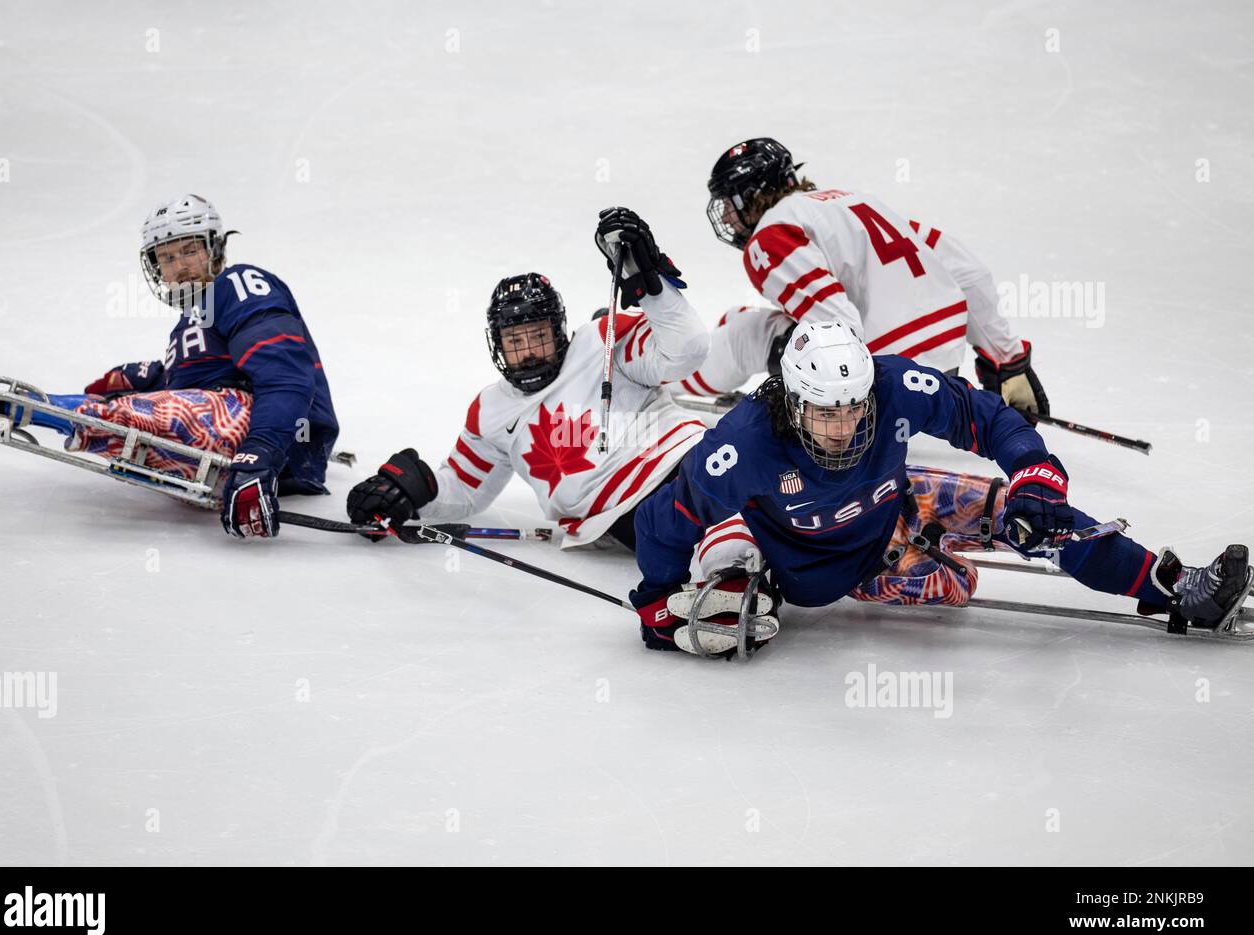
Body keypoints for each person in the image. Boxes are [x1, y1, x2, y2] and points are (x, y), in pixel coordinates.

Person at [632, 319, 1248, 657]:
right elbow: (669, 514)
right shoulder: (745, 443)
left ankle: (1174, 589)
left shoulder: (893, 386)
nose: (844, 427)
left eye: (854, 409)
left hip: (898, 498)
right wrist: (657, 602)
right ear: (791, 403)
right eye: (825, 413)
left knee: (1035, 517)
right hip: (836, 571)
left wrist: (1034, 470)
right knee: (959, 586)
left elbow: (986, 417)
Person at [345, 208, 757, 575]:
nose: (527, 353)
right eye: (515, 341)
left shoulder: (602, 339)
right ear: (496, 344)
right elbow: (464, 490)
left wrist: (651, 285)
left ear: (559, 329)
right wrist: (408, 494)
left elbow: (687, 351)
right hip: (621, 512)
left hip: (685, 458)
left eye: (538, 336)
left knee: (762, 501)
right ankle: (740, 578)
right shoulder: (490, 411)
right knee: (716, 531)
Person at [0, 194, 339, 538]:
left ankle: (49, 410)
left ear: (215, 248)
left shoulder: (240, 285)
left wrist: (260, 453)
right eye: (167, 257)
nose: (180, 266)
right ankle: (66, 409)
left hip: (272, 441)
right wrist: (148, 377)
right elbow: (206, 376)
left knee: (141, 417)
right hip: (241, 431)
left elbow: (285, 376)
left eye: (190, 250)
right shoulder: (189, 322)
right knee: (128, 411)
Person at [673, 138, 1047, 419]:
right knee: (743, 317)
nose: (727, 220)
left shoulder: (771, 234)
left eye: (729, 206)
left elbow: (836, 323)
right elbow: (970, 274)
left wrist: (823, 410)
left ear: (750, 195)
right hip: (942, 377)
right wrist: (1009, 362)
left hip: (881, 387)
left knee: (749, 333)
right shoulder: (854, 201)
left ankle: (664, 383)